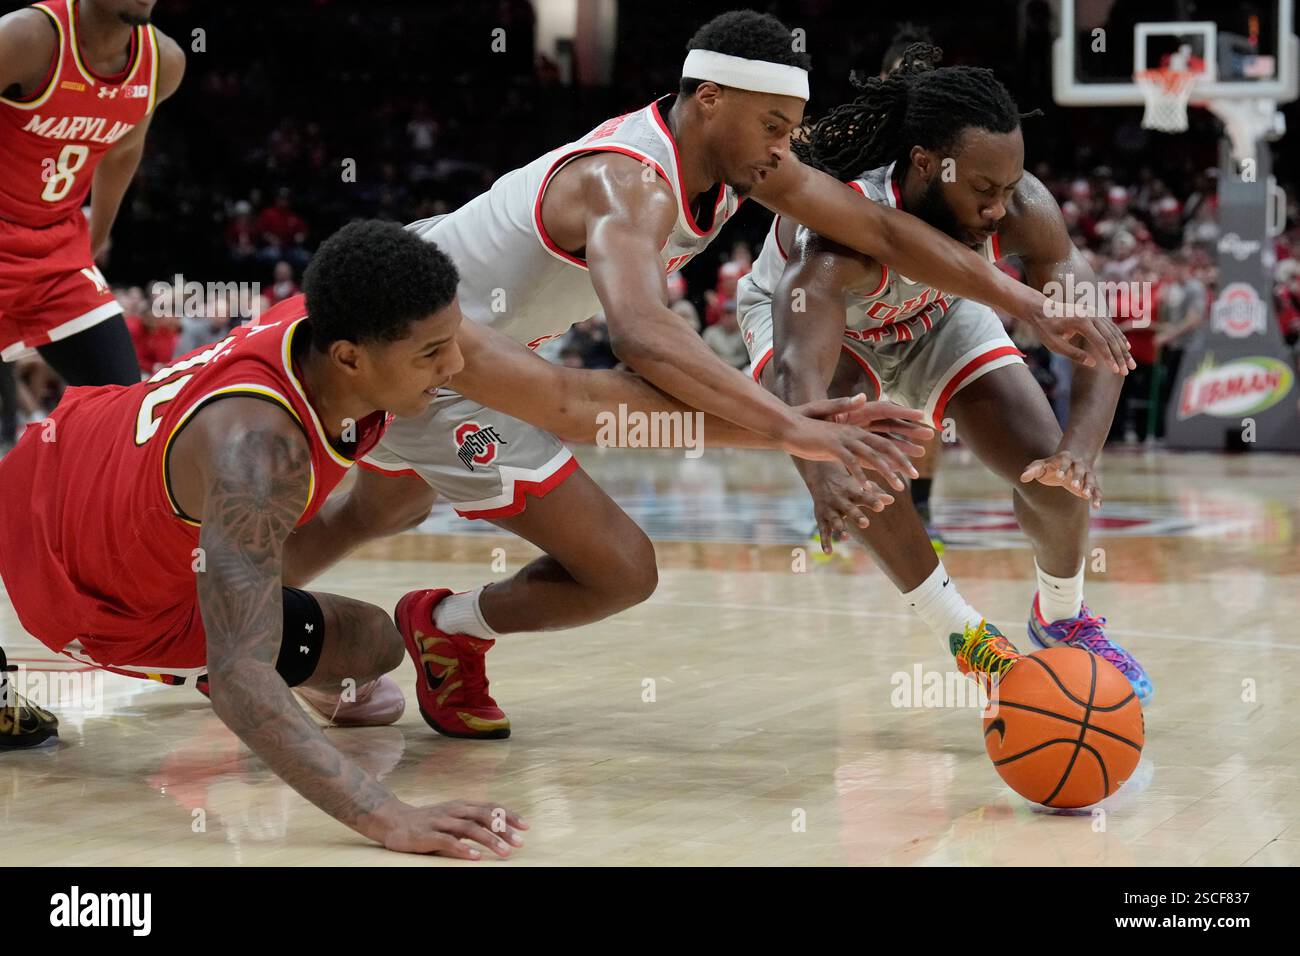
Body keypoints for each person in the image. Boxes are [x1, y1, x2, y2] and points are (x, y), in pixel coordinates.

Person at [280, 10, 1130, 741]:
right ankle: (409, 629)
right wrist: (795, 428)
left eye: (792, 123)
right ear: (709, 101)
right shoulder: (629, 184)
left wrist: (1029, 300)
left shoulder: (741, 161)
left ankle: (237, 619)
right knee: (620, 570)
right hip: (431, 350)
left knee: (381, 503)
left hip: (470, 324)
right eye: (773, 123)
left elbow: (886, 235)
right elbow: (643, 342)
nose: (785, 144)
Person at [0, 220, 926, 856]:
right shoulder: (261, 453)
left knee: (366, 642)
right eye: (434, 357)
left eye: (456, 344)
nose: (457, 370)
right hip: (89, 594)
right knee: (307, 655)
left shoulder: (358, 329)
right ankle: (189, 660)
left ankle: (291, 658)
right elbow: (240, 681)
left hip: (63, 455)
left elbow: (586, 402)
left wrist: (795, 426)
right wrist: (385, 816)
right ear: (355, 360)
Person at [737, 44, 1151, 700]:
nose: (998, 208)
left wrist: (1080, 455)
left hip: (935, 312)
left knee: (1048, 471)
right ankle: (960, 631)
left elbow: (1096, 333)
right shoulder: (838, 228)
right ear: (927, 165)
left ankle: (1062, 617)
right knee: (845, 429)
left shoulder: (1020, 207)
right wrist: (818, 467)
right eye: (983, 189)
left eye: (1009, 188)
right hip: (823, 329)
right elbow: (800, 375)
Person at [0, 0, 184, 385]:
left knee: (120, 405)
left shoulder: (162, 62)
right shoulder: (24, 38)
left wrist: (95, 237)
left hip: (58, 251)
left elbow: (123, 151)